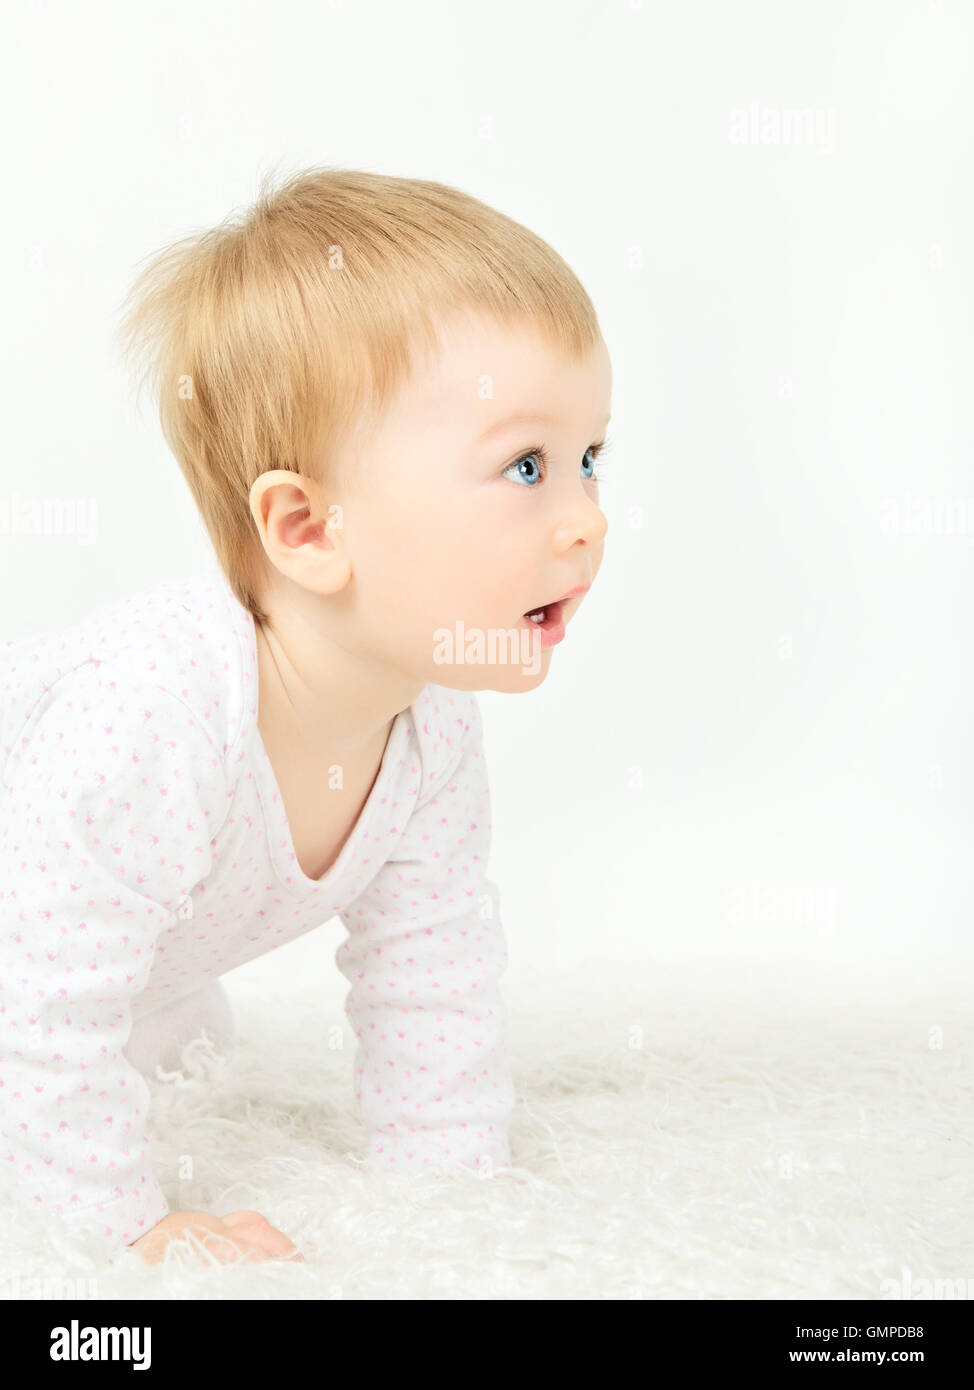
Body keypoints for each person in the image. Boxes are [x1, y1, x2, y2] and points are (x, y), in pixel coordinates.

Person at [0, 166, 612, 1267]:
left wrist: (454, 1184)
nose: (583, 522)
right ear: (307, 527)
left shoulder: (426, 719)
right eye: (525, 466)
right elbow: (33, 1004)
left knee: (169, 1049)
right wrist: (123, 1228)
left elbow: (432, 961)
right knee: (67, 1075)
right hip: (21, 958)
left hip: (132, 981)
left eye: (589, 461)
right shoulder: (153, 715)